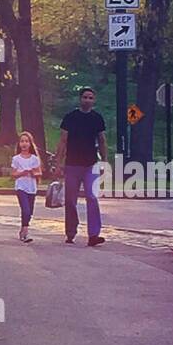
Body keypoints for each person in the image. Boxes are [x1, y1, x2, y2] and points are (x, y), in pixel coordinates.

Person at [54, 86, 106, 246]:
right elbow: (63, 141)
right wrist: (58, 163)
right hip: (72, 164)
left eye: (91, 98)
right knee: (70, 200)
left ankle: (93, 235)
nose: (88, 100)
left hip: (90, 164)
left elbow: (102, 140)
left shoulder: (97, 118)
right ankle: (70, 232)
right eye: (85, 97)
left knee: (92, 196)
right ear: (80, 99)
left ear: (94, 100)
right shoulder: (70, 117)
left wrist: (104, 161)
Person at [11, 130, 42, 242]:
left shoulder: (34, 159)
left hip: (31, 188)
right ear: (19, 144)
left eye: (26, 141)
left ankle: (23, 229)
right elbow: (13, 173)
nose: (24, 144)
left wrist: (33, 173)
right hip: (21, 187)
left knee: (30, 211)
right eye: (22, 141)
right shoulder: (16, 159)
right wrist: (22, 172)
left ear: (30, 143)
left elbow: (39, 173)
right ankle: (25, 232)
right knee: (25, 210)